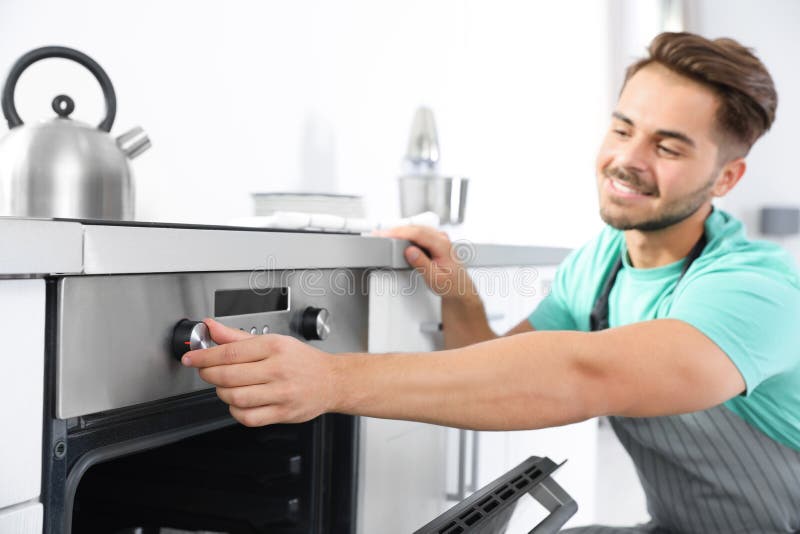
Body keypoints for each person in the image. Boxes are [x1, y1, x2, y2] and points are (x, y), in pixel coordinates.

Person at [181, 32, 800, 533]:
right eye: (622, 128)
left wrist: (331, 379)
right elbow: (496, 370)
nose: (628, 159)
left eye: (667, 146)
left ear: (725, 178)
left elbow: (585, 374)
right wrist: (458, 290)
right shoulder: (603, 264)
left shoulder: (756, 289)